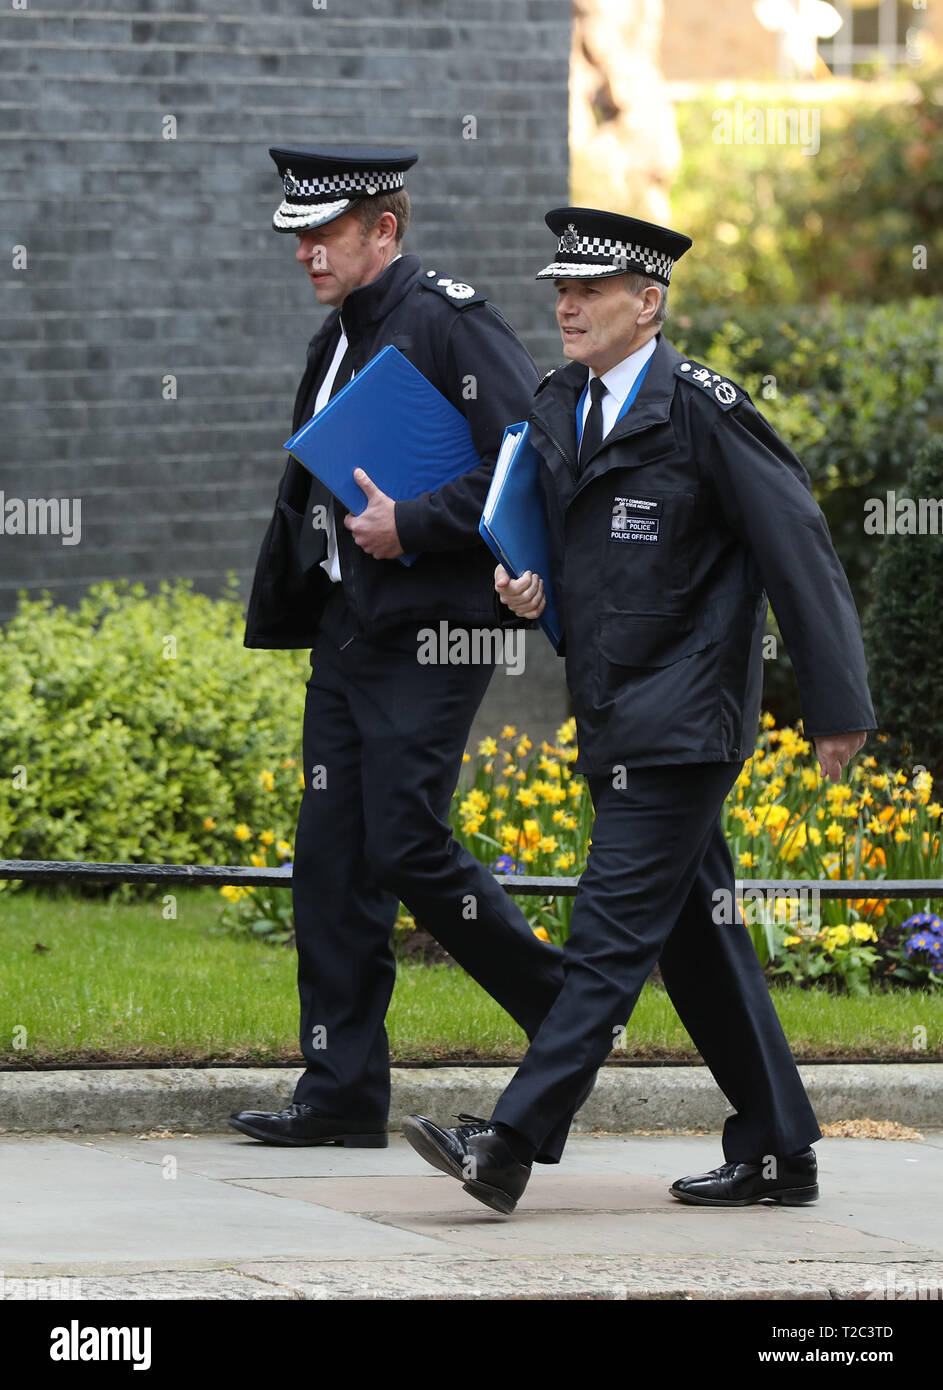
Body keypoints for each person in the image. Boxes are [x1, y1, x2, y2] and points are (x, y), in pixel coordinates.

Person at [402, 207, 876, 1214]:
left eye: (588, 292)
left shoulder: (702, 408)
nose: (565, 306)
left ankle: (511, 1141)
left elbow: (799, 548)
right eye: (560, 291)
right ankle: (778, 1148)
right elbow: (572, 554)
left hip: (685, 717)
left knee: (610, 932)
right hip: (614, 706)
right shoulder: (558, 399)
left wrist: (839, 703)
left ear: (646, 304)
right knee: (700, 938)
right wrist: (532, 592)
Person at [228, 147, 576, 1156]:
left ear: (385, 229)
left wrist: (413, 524)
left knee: (404, 840)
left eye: (326, 233)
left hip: (432, 633)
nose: (307, 252)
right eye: (298, 235)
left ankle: (561, 1004)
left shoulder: (445, 318)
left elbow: (531, 458)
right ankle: (339, 1092)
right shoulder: (338, 334)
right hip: (350, 632)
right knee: (332, 860)